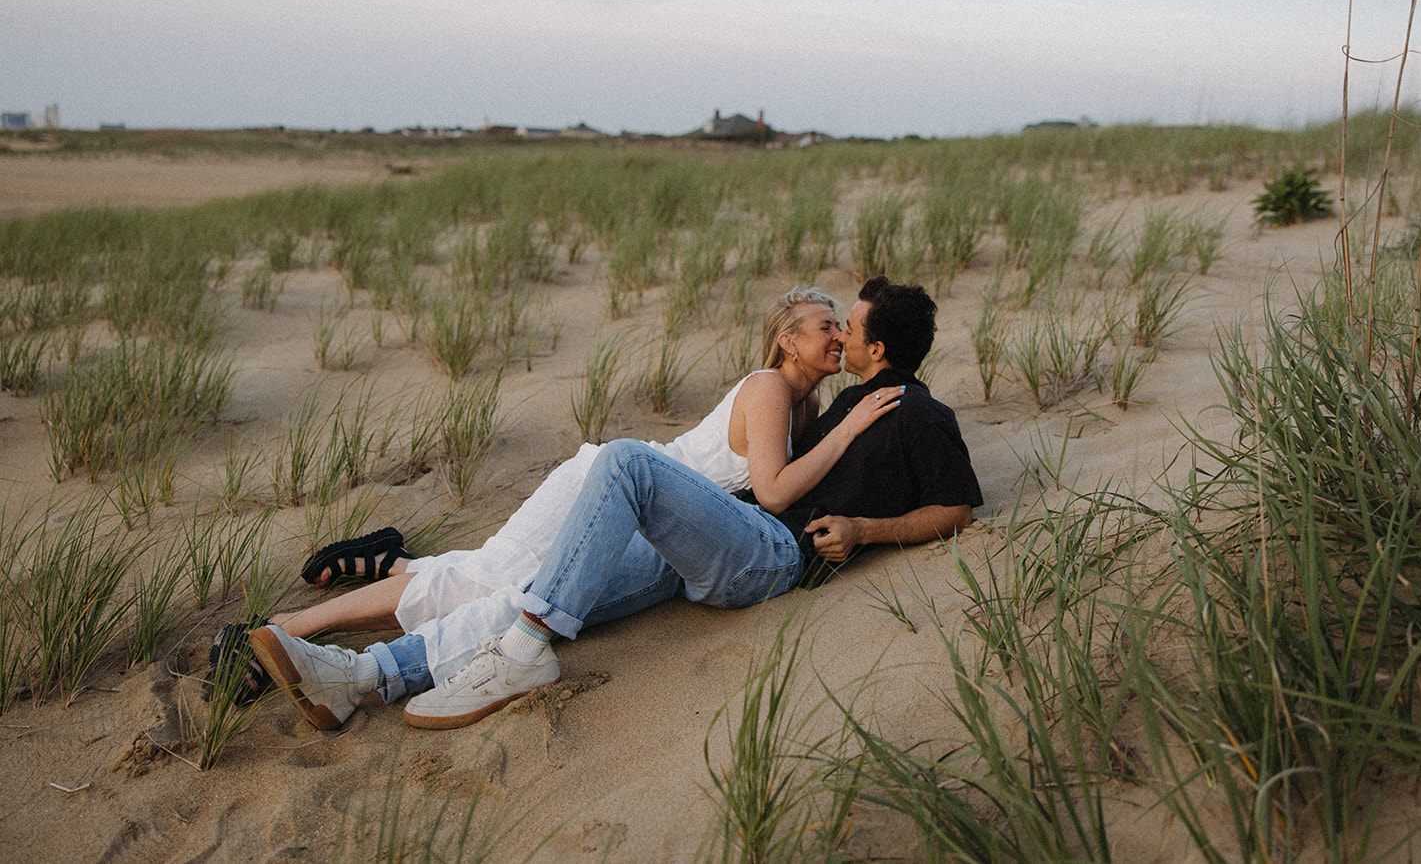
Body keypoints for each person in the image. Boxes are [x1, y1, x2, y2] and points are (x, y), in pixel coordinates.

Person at [251, 277, 982, 731]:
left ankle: (518, 645)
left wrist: (865, 529)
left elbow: (956, 510)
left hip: (767, 552)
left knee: (620, 466)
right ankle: (364, 676)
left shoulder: (918, 414)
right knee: (540, 589)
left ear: (877, 346)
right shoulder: (833, 399)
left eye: (847, 326)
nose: (840, 332)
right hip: (711, 533)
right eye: (832, 324)